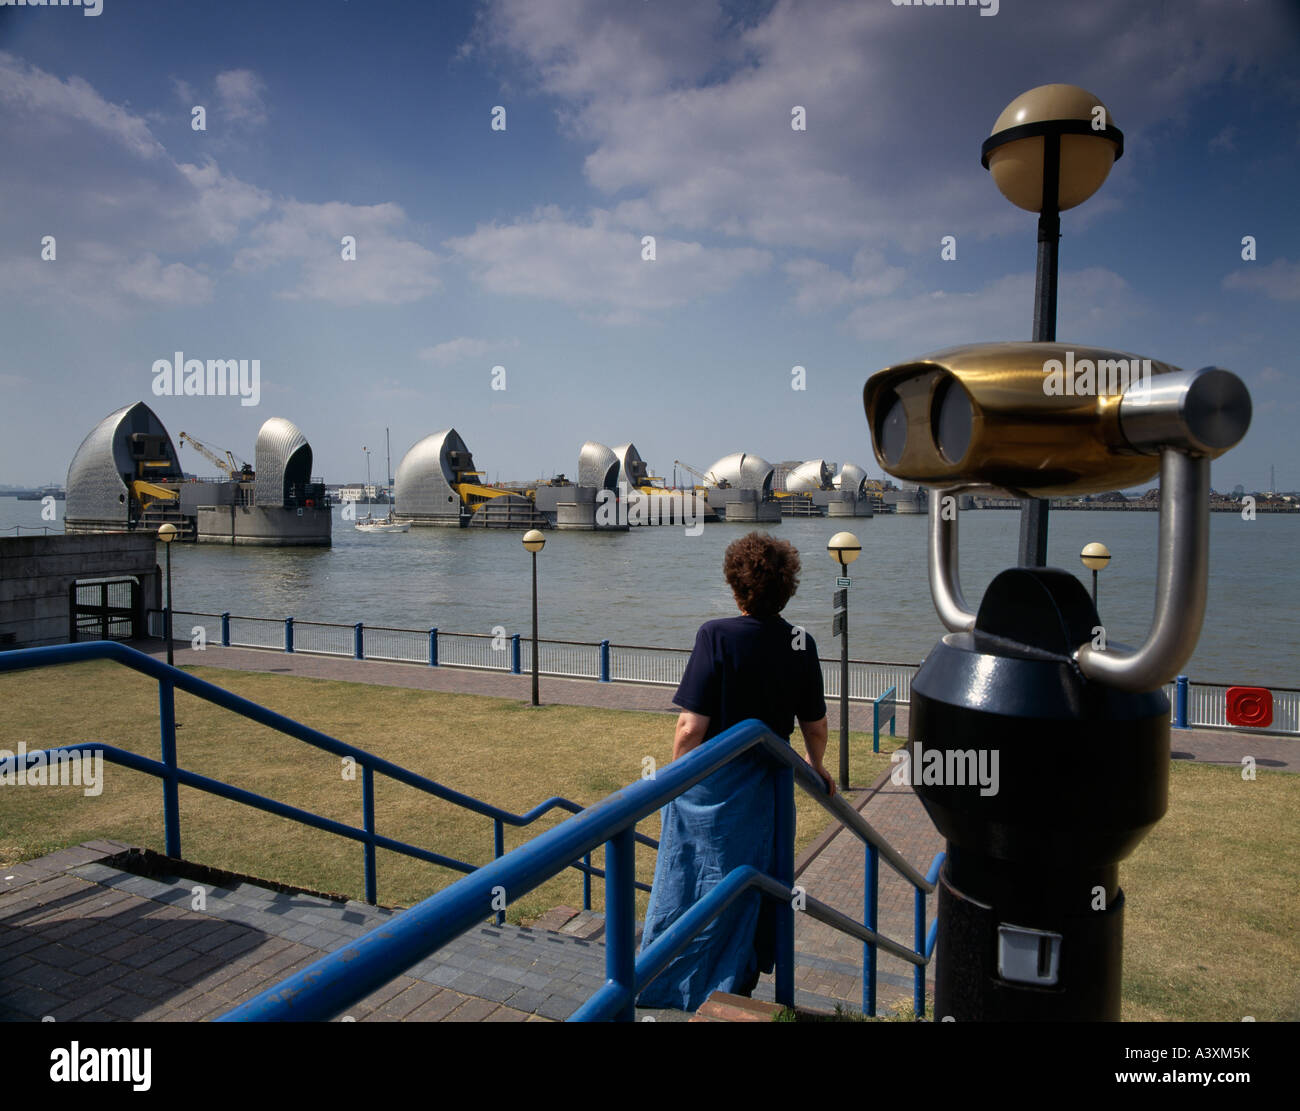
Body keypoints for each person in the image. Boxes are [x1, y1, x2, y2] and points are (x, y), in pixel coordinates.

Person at [636, 532, 833, 1011]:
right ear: (787, 587)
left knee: (691, 881)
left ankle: (672, 979)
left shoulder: (715, 635)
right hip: (767, 788)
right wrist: (817, 766)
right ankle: (736, 978)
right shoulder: (800, 642)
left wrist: (673, 777)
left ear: (735, 584)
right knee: (751, 882)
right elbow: (816, 725)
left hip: (710, 787)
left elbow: (690, 726)